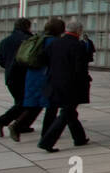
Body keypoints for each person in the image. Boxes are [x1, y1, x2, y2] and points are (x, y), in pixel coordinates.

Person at [38, 21, 91, 153]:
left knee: (70, 112)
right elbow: (80, 69)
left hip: (55, 82)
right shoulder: (77, 46)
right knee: (67, 112)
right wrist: (84, 82)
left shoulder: (55, 43)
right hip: (71, 85)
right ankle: (47, 141)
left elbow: (42, 59)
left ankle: (80, 138)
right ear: (78, 31)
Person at [10, 18, 63, 142]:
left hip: (33, 75)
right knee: (51, 106)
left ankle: (17, 126)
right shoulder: (53, 42)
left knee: (35, 105)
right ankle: (46, 134)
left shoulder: (38, 38)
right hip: (46, 77)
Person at [0, 18, 33, 137]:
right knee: (26, 103)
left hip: (10, 75)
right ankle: (2, 121)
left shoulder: (5, 41)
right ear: (27, 27)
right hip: (24, 75)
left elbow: (1, 60)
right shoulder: (28, 40)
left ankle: (21, 125)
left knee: (19, 101)